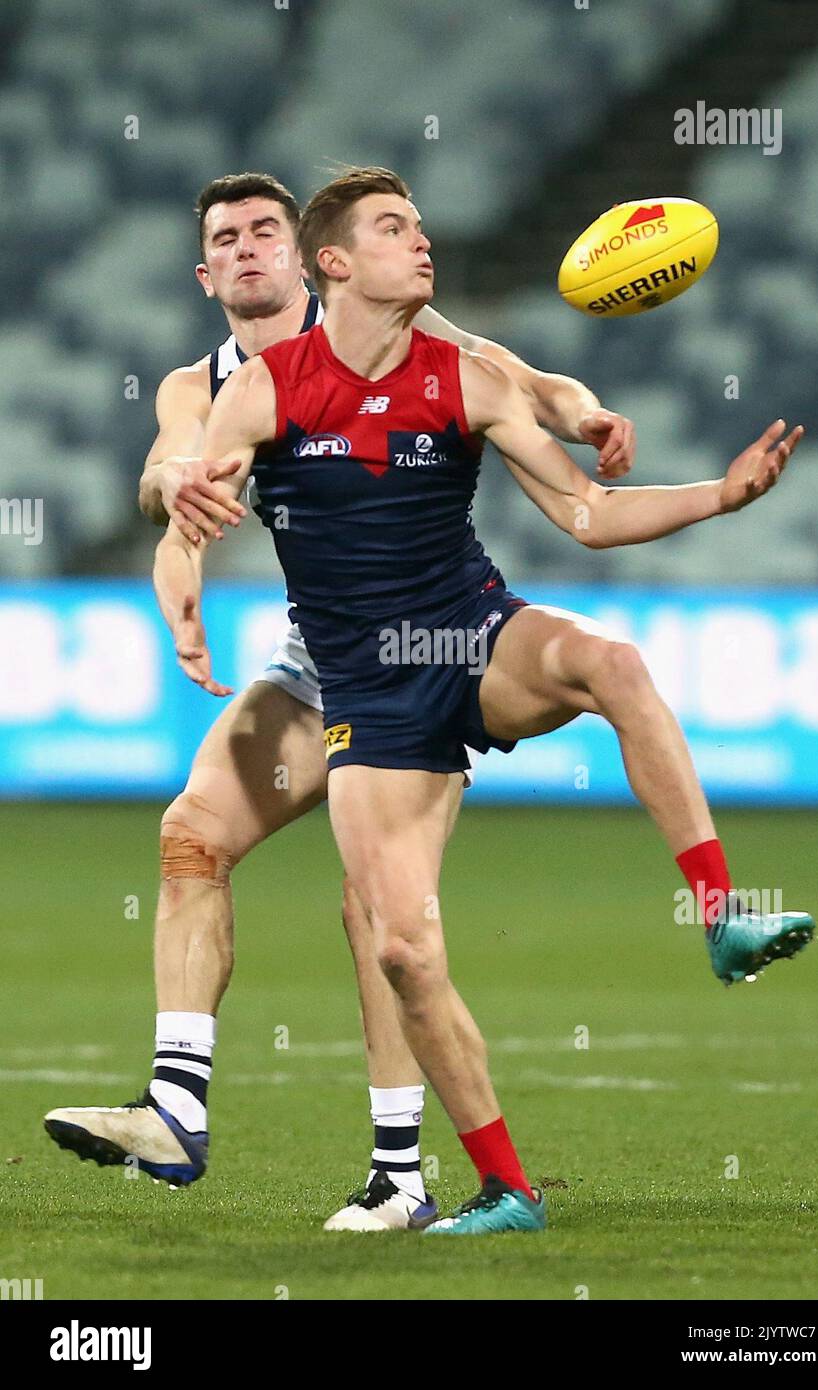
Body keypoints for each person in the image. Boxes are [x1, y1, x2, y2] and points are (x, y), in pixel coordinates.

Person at [44, 172, 636, 1232]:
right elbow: (159, 485)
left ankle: (399, 1175)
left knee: (380, 911)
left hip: (425, 657)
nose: (246, 250)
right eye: (224, 238)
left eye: (265, 229)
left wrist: (578, 406)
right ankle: (176, 1108)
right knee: (190, 837)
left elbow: (511, 372)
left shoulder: (379, 324)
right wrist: (177, 493)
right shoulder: (205, 382)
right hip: (311, 666)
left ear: (306, 253)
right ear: (205, 272)